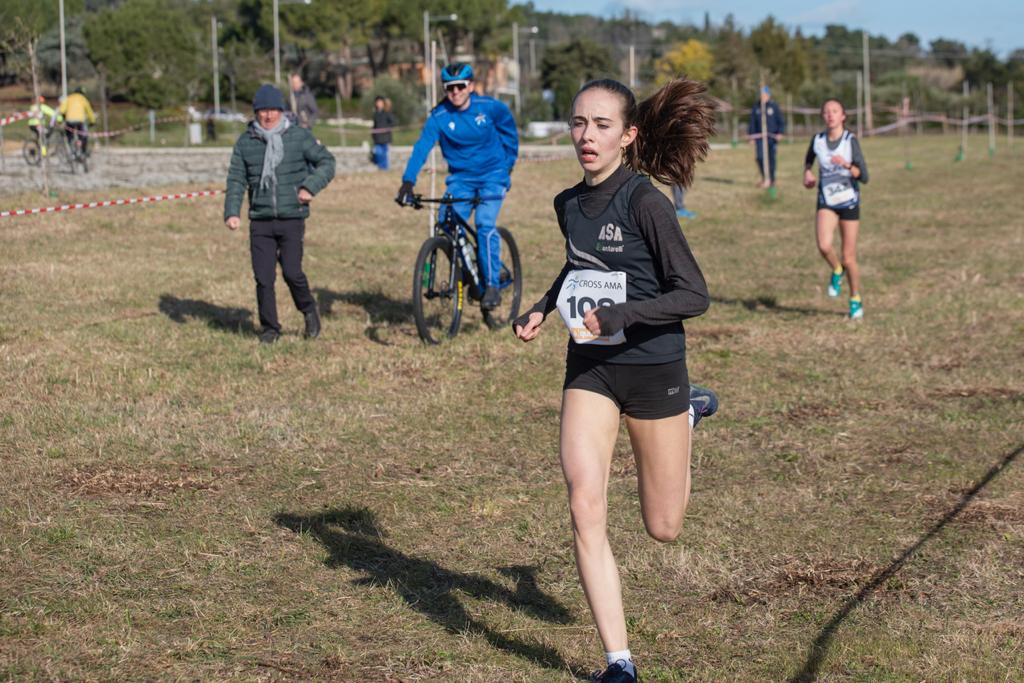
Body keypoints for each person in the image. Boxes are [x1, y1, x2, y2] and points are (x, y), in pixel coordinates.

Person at [512, 78, 718, 683]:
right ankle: (619, 662)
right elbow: (581, 266)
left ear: (628, 135)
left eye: (602, 125)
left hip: (655, 369)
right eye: (578, 123)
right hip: (592, 368)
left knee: (663, 527)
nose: (587, 136)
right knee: (583, 502)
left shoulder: (645, 202)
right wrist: (544, 307)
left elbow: (694, 294)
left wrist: (625, 314)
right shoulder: (567, 204)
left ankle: (687, 416)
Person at [395, 63, 519, 311]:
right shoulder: (439, 116)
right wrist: (407, 182)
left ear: (471, 86)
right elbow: (421, 148)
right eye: (450, 88)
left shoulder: (491, 108)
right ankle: (469, 268)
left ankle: (492, 284)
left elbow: (510, 136)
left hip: (492, 176)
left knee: (484, 224)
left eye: (461, 86)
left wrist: (507, 166)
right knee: (446, 223)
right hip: (460, 179)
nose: (455, 92)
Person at [224, 84, 336, 344]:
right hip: (260, 220)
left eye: (273, 109)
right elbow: (236, 179)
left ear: (281, 111)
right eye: (263, 111)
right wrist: (232, 212)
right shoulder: (246, 142)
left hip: (291, 217)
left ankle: (308, 310)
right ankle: (270, 328)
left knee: (292, 272)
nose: (268, 115)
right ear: (256, 113)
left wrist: (310, 186)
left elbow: (327, 162)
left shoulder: (298, 136)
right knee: (263, 278)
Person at [803, 98, 869, 320]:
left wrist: (847, 165)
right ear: (823, 116)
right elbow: (808, 160)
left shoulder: (850, 140)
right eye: (826, 111)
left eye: (835, 111)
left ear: (843, 116)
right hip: (827, 201)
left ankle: (855, 298)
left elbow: (864, 175)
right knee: (823, 245)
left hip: (849, 202)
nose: (830, 114)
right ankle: (836, 270)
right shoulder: (818, 140)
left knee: (849, 257)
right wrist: (808, 173)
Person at [748, 85, 784, 188]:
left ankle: (772, 180)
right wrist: (752, 136)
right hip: (760, 139)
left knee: (771, 159)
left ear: (768, 95)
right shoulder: (756, 107)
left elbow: (780, 121)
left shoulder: (773, 106)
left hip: (771, 139)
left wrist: (780, 133)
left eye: (764, 94)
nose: (762, 97)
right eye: (761, 95)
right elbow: (752, 123)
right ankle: (765, 178)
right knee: (760, 158)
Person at [58, 86, 96, 156]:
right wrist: (92, 121)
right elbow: (89, 111)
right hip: (80, 121)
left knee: (69, 136)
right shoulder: (83, 99)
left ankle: (71, 150)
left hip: (69, 120)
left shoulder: (69, 98)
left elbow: (62, 110)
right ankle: (83, 152)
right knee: (83, 136)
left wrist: (62, 119)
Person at [371, 95, 396, 170]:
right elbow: (374, 125)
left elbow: (393, 122)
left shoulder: (387, 113)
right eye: (377, 102)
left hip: (385, 138)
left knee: (384, 154)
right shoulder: (375, 114)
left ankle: (384, 169)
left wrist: (386, 128)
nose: (378, 104)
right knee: (378, 153)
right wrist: (373, 134)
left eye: (380, 102)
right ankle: (381, 167)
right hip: (377, 138)